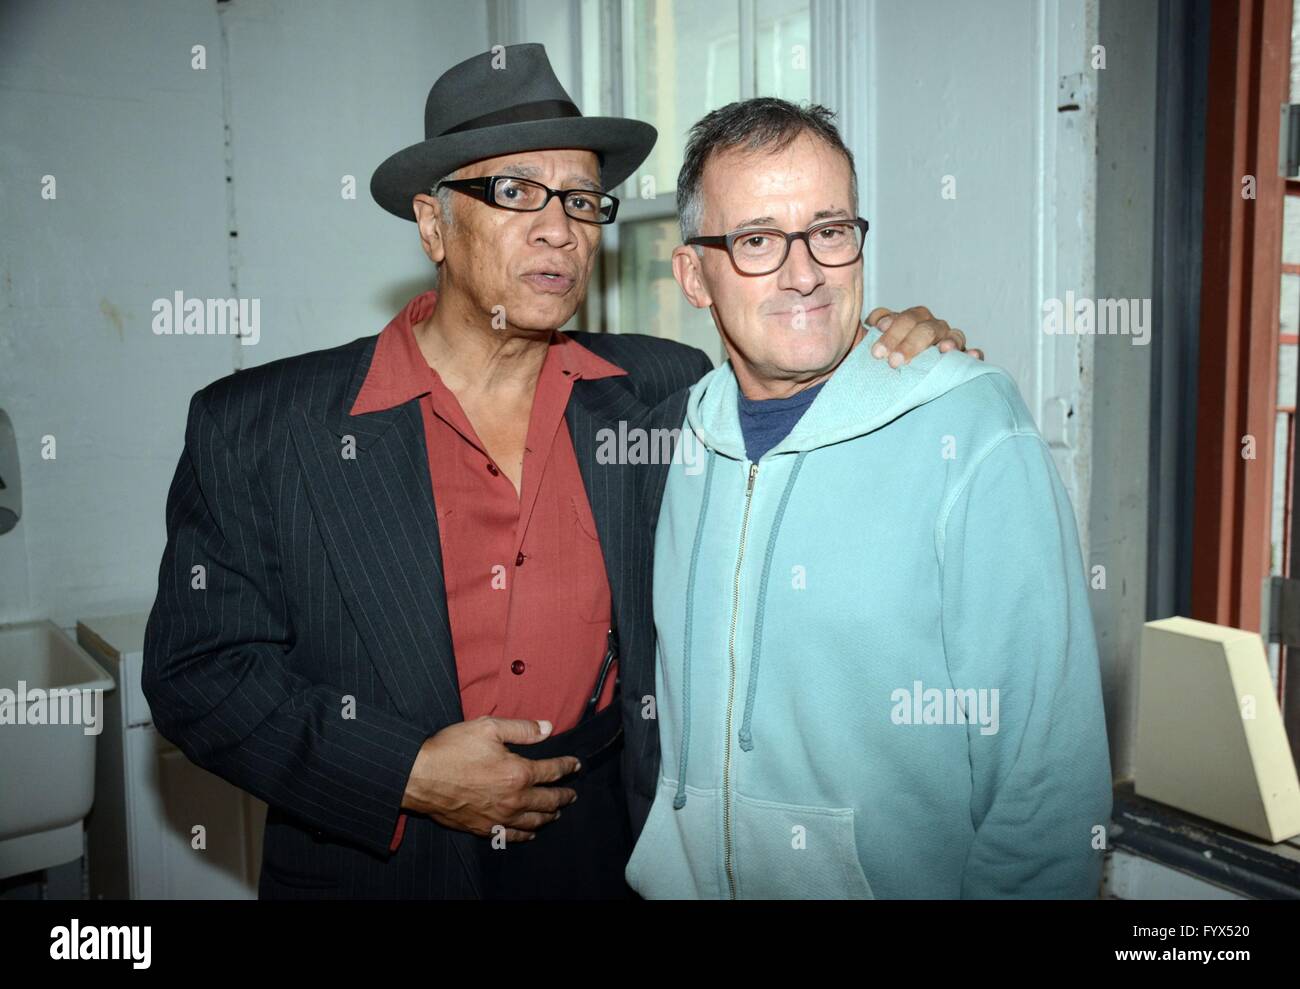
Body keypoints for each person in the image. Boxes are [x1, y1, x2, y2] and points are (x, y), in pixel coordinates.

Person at [142, 45, 973, 899]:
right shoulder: (264, 428)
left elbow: (792, 372)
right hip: (380, 859)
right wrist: (406, 772)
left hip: (604, 843)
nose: (558, 228)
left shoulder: (661, 390)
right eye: (514, 192)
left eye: (580, 199)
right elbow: (196, 674)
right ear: (433, 224)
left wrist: (890, 346)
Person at [625, 98, 1112, 899]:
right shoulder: (669, 441)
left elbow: (1046, 783)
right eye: (756, 240)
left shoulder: (971, 426)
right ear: (693, 276)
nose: (805, 273)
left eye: (829, 230)